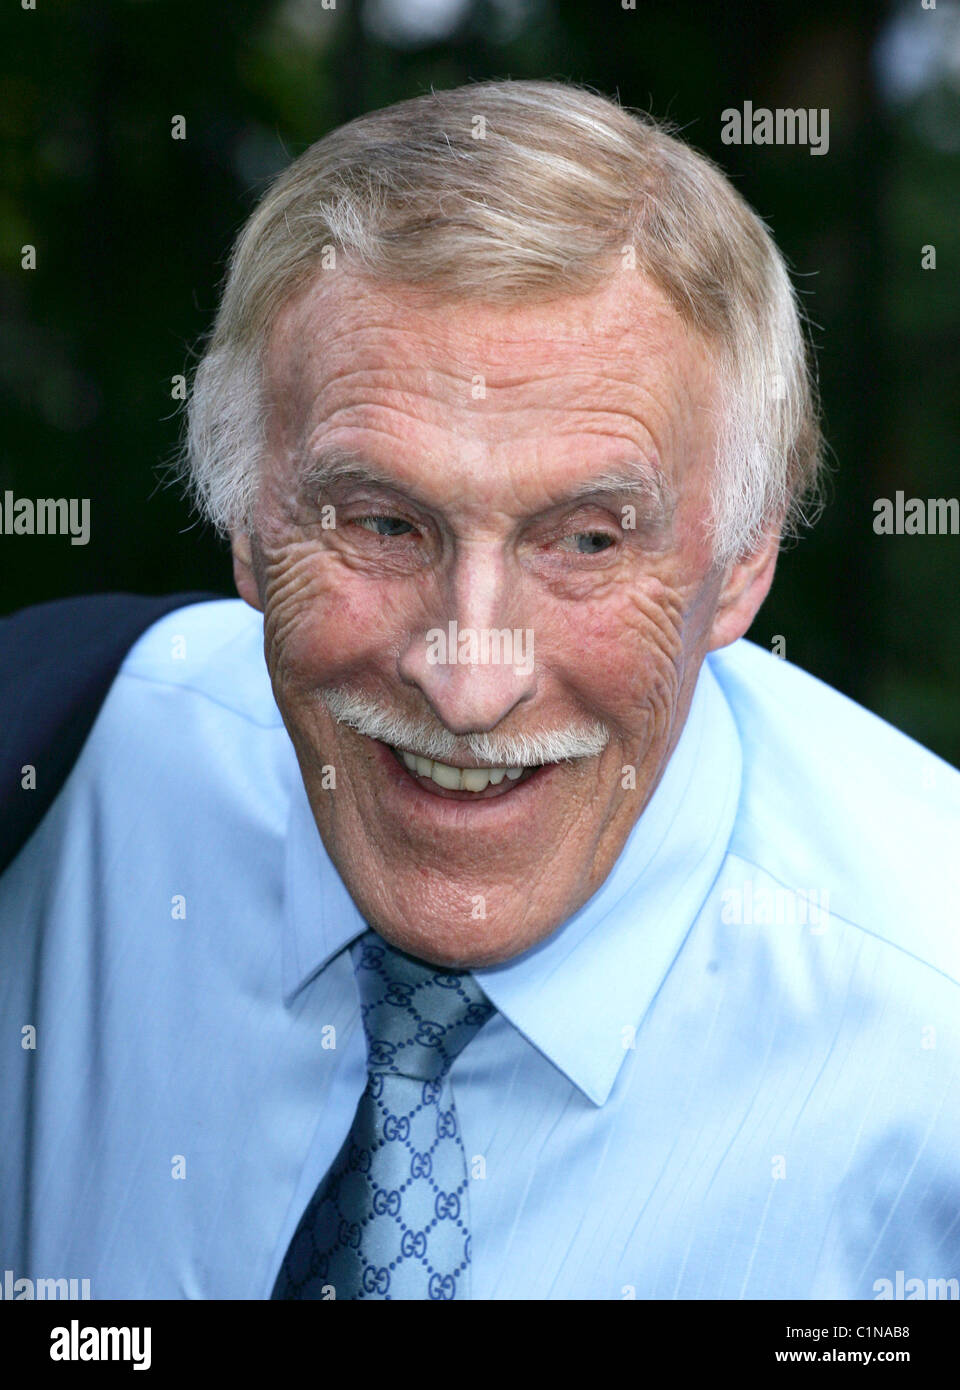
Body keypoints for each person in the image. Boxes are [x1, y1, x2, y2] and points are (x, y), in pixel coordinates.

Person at [2, 79, 958, 1302]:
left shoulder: (936, 1031)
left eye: (588, 542)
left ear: (745, 559)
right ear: (246, 520)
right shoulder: (58, 777)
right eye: (384, 523)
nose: (469, 681)